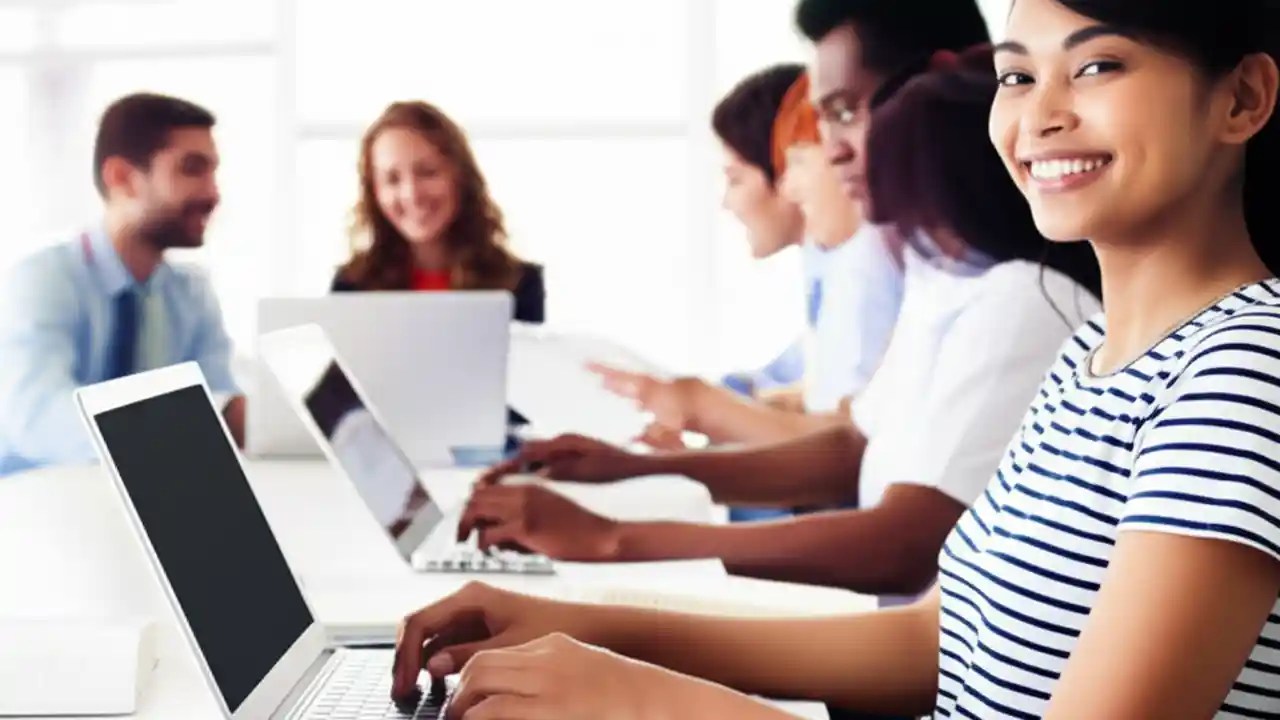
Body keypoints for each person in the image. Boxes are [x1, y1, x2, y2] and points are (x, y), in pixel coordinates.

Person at [393, 0, 1280, 716]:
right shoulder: (1094, 353)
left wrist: (646, 702)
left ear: (1242, 99)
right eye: (1017, 76)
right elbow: (934, 642)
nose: (1040, 115)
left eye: (1095, 66)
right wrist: (580, 629)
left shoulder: (1243, 369)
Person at [462, 44, 1102, 603]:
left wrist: (612, 538)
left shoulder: (1021, 302)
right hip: (878, 622)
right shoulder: (944, 283)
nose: (838, 157)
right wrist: (627, 468)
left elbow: (900, 544)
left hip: (892, 636)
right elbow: (853, 450)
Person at [0, 93, 244, 476]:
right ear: (122, 178)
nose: (213, 194)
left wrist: (249, 416)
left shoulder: (191, 293)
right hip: (34, 504)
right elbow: (36, 417)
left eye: (213, 172)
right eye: (192, 169)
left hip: (150, 505)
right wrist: (191, 423)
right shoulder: (42, 280)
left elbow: (221, 403)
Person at [332, 101, 544, 323]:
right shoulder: (351, 286)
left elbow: (533, 358)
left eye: (427, 172)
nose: (411, 194)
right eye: (392, 179)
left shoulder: (519, 283)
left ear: (460, 177)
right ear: (374, 192)